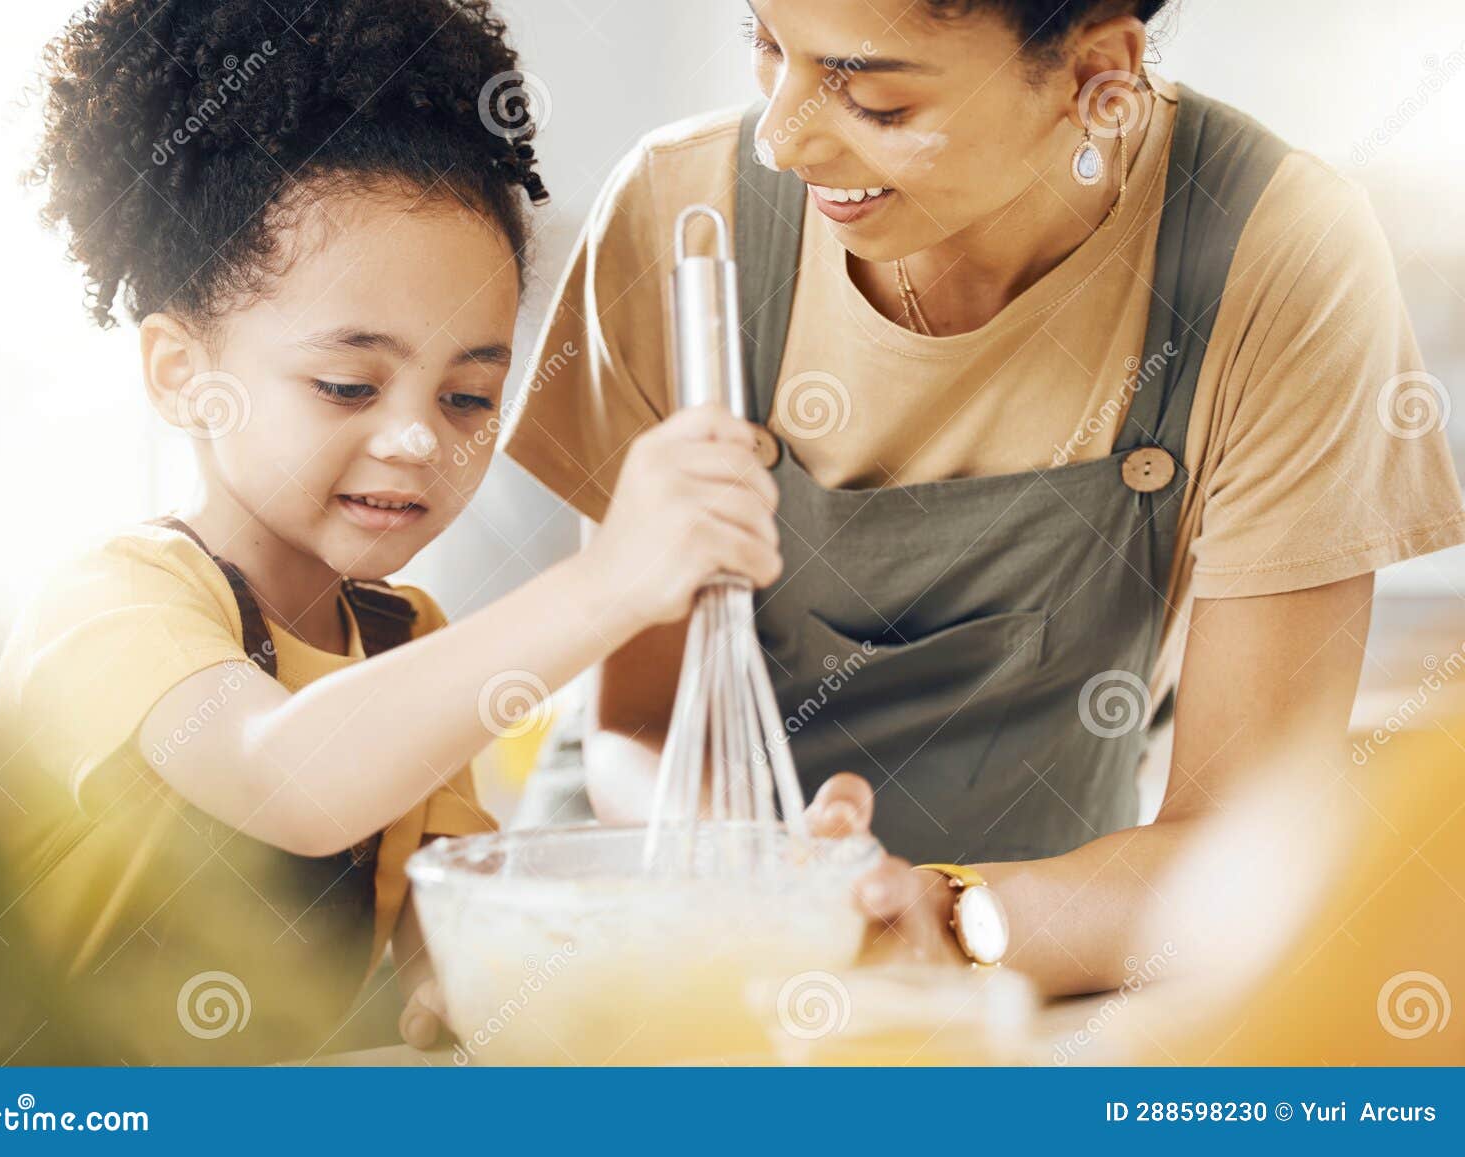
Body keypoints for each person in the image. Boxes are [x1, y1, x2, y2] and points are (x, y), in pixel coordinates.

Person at [502, 0, 1465, 994]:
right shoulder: (687, 216)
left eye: (874, 99)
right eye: (767, 45)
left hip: (1027, 981)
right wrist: (780, 886)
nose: (779, 139)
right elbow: (636, 722)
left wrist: (946, 921)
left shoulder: (1276, 254)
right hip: (649, 952)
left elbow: (1242, 852)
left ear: (1096, 73)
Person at [0, 0, 788, 1064]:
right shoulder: (115, 605)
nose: (417, 439)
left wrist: (715, 918)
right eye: (349, 384)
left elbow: (454, 967)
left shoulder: (409, 645)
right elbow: (290, 777)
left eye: (468, 397)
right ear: (182, 373)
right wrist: (609, 579)